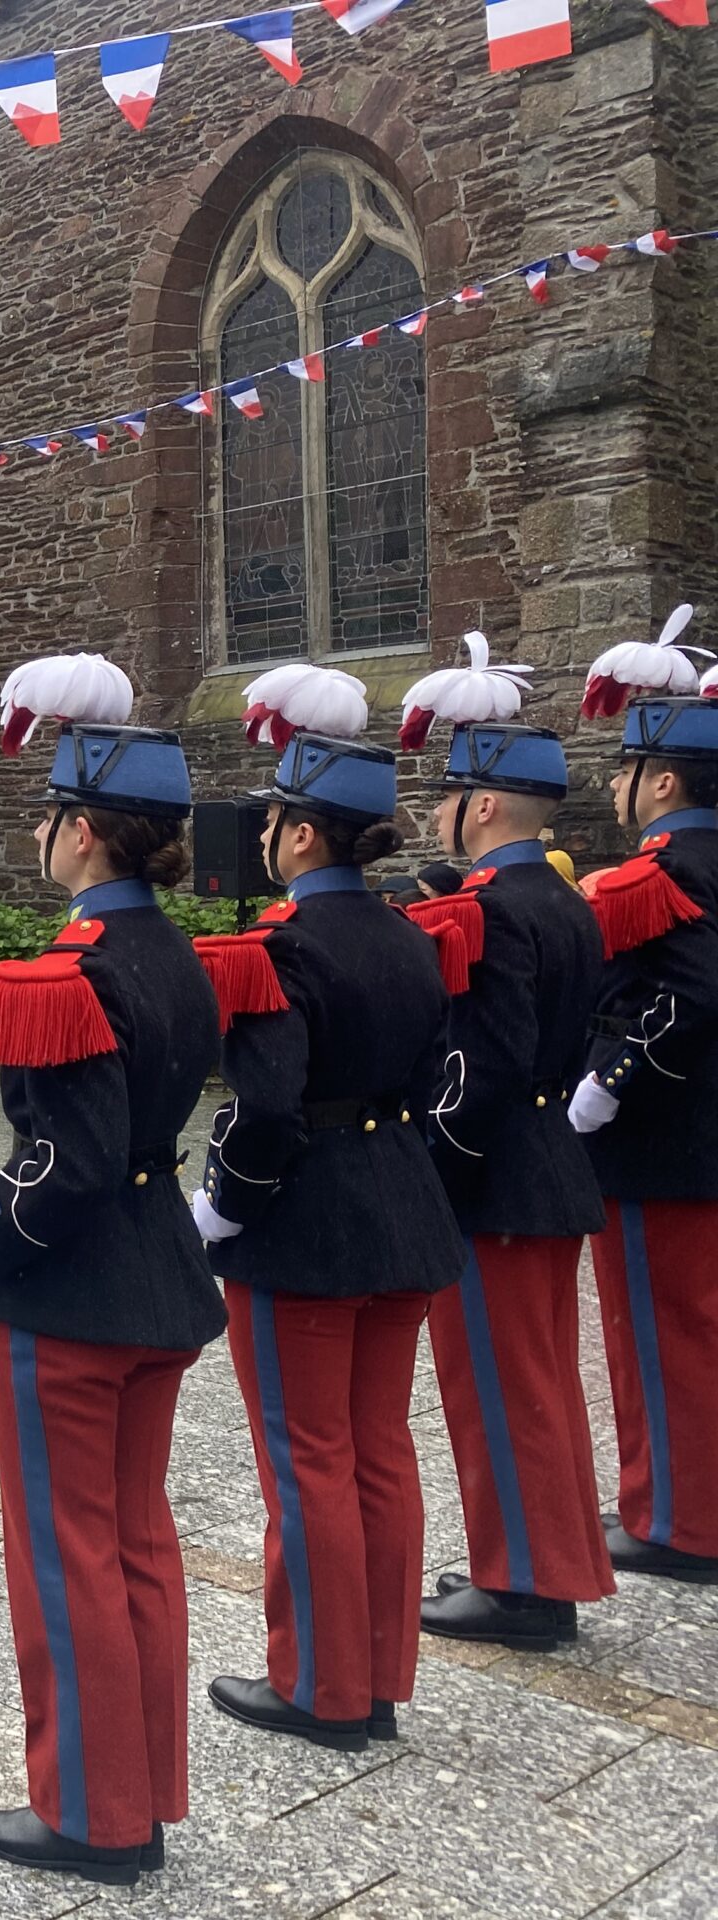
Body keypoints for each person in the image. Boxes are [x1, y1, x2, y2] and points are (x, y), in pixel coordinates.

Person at [0, 656, 220, 1888]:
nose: (39, 837)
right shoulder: (185, 957)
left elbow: (64, 1168)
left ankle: (92, 1816)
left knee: (64, 1550)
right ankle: (143, 1788)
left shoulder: (66, 971)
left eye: (47, 817)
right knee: (137, 1539)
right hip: (158, 1279)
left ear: (85, 833)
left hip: (70, 1296)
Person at [192, 664, 460, 1751]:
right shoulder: (416, 932)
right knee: (379, 1449)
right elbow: (437, 1071)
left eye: (273, 823)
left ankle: (319, 1686)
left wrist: (225, 1206)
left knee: (307, 1457)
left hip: (303, 1220)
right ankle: (378, 1676)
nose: (263, 838)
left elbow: (265, 1109)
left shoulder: (277, 951)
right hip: (404, 1205)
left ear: (302, 837)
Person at [396, 644, 615, 1647]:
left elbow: (471, 1073)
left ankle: (522, 1583)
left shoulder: (486, 912)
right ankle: (549, 1562)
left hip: (495, 1184)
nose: (438, 814)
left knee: (494, 1387)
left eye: (448, 797)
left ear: (480, 807)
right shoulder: (567, 900)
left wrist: (427, 1174)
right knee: (537, 1381)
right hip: (548, 1165)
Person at [566, 610, 718, 1584]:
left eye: (624, 773)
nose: (614, 791)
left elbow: (694, 993)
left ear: (660, 781)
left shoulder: (664, 871)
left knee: (660, 1336)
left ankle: (675, 1520)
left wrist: (606, 1088)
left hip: (660, 1145)